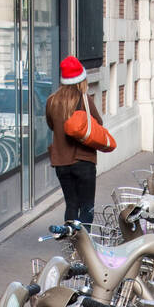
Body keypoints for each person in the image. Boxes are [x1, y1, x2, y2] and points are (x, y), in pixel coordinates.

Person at [45, 55, 103, 227]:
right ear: (80, 80)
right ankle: (84, 247)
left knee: (71, 204)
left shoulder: (52, 101)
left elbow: (51, 125)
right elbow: (98, 124)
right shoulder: (84, 100)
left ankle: (72, 245)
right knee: (87, 206)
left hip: (61, 162)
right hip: (84, 161)